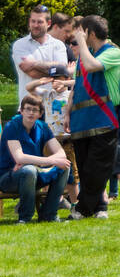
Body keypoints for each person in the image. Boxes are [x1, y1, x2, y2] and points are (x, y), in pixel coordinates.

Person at [68, 17, 120, 220]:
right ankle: (100, 206)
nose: (77, 36)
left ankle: (82, 209)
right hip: (81, 120)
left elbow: (93, 66)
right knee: (85, 168)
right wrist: (68, 111)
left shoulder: (112, 52)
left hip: (103, 119)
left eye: (81, 32)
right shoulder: (83, 56)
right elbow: (77, 84)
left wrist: (81, 44)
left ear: (90, 33)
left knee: (97, 167)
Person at [0, 96, 71, 223]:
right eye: (27, 109)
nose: (31, 113)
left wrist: (35, 162)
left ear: (40, 113)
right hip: (8, 177)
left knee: (64, 166)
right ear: (21, 111)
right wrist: (51, 161)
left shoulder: (42, 127)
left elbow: (61, 154)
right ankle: (25, 218)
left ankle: (49, 214)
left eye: (35, 110)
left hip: (35, 173)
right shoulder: (12, 126)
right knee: (29, 170)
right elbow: (19, 157)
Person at [25, 71, 78, 208]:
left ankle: (75, 203)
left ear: (66, 78)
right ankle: (50, 202)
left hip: (67, 139)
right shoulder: (47, 94)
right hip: (50, 140)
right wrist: (42, 81)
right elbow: (29, 88)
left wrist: (65, 83)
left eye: (58, 79)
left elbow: (80, 82)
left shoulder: (71, 95)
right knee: (48, 171)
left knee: (71, 173)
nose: (55, 83)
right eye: (53, 79)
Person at [11, 5, 68, 102]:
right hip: (28, 108)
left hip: (53, 108)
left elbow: (62, 71)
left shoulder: (58, 45)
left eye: (40, 22)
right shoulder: (20, 45)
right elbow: (31, 72)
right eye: (33, 21)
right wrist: (54, 71)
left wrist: (34, 64)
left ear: (49, 23)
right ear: (29, 21)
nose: (35, 25)